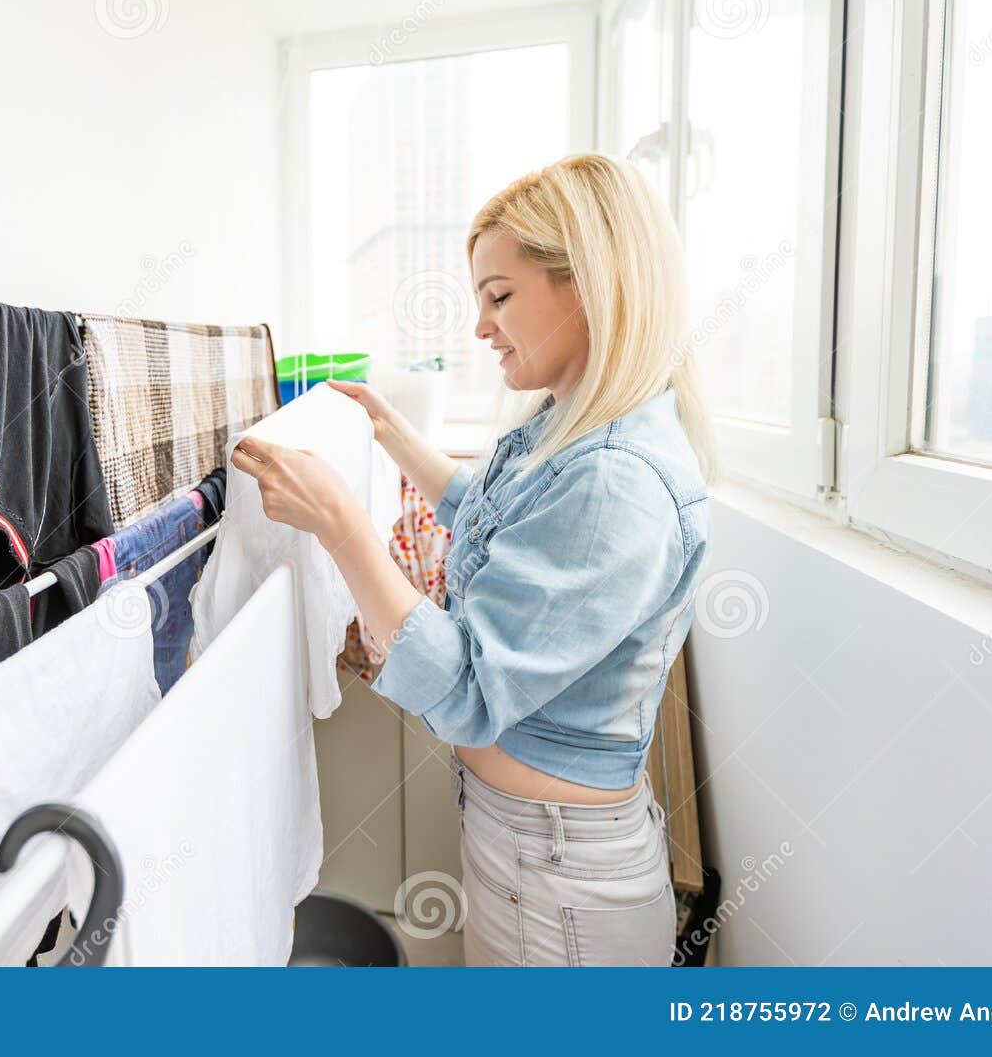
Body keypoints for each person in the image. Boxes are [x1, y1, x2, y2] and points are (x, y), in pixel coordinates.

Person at [231, 153, 714, 966]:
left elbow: (468, 692)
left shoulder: (616, 484)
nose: (481, 327)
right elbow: (505, 522)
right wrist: (390, 434)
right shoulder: (576, 430)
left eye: (499, 297)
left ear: (591, 288)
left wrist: (343, 526)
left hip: (560, 881)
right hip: (536, 852)